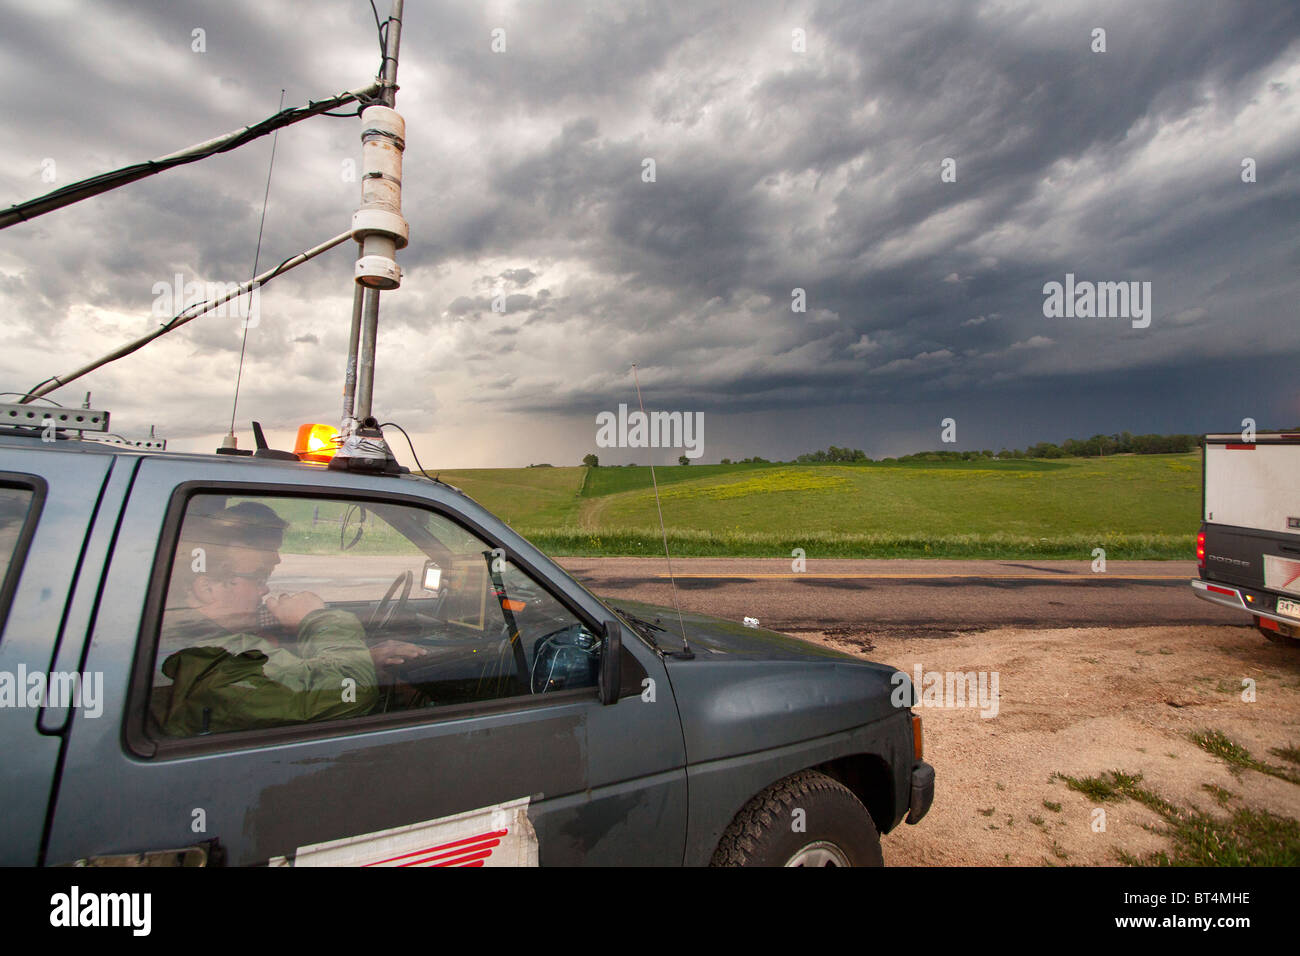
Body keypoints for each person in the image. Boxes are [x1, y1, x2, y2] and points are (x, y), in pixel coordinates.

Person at [151, 501, 430, 736]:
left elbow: (289, 678)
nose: (265, 589)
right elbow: (350, 694)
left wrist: (362, 659)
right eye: (258, 577)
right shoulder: (215, 665)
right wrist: (317, 619)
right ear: (207, 587)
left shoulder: (205, 641)